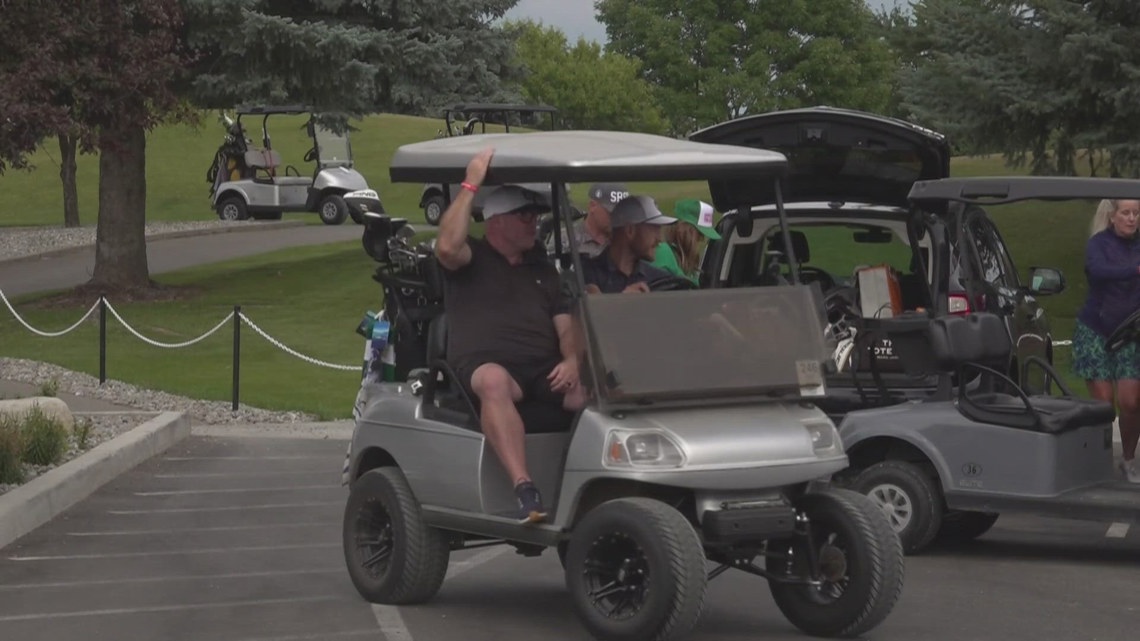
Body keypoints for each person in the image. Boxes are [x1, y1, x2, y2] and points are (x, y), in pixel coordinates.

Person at [434, 148, 588, 522]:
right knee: (493, 381)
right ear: (497, 221)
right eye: (525, 216)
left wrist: (571, 360)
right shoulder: (472, 258)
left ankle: (595, 485)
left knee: (592, 390)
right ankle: (525, 489)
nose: (534, 223)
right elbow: (446, 246)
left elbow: (565, 325)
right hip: (484, 365)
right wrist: (471, 182)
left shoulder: (543, 270)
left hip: (541, 368)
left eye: (535, 215)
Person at [1073, 198, 1140, 483]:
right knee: (1104, 406)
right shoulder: (1098, 244)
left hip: (1130, 334)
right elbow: (1098, 271)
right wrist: (1135, 271)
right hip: (1095, 331)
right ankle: (1097, 463)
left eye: (1137, 213)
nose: (1132, 218)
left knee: (1131, 402)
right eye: (1126, 212)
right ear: (1112, 215)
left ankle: (1128, 459)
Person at [581, 195, 677, 294]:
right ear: (630, 230)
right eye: (654, 229)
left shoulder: (661, 279)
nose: (659, 239)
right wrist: (624, 300)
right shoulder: (584, 276)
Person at [545, 183, 629, 257]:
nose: (617, 218)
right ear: (592, 206)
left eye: (620, 213)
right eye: (611, 213)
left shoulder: (625, 242)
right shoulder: (566, 239)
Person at [651, 198, 720, 285]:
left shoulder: (689, 268)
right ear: (682, 228)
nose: (702, 239)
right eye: (699, 233)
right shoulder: (663, 252)